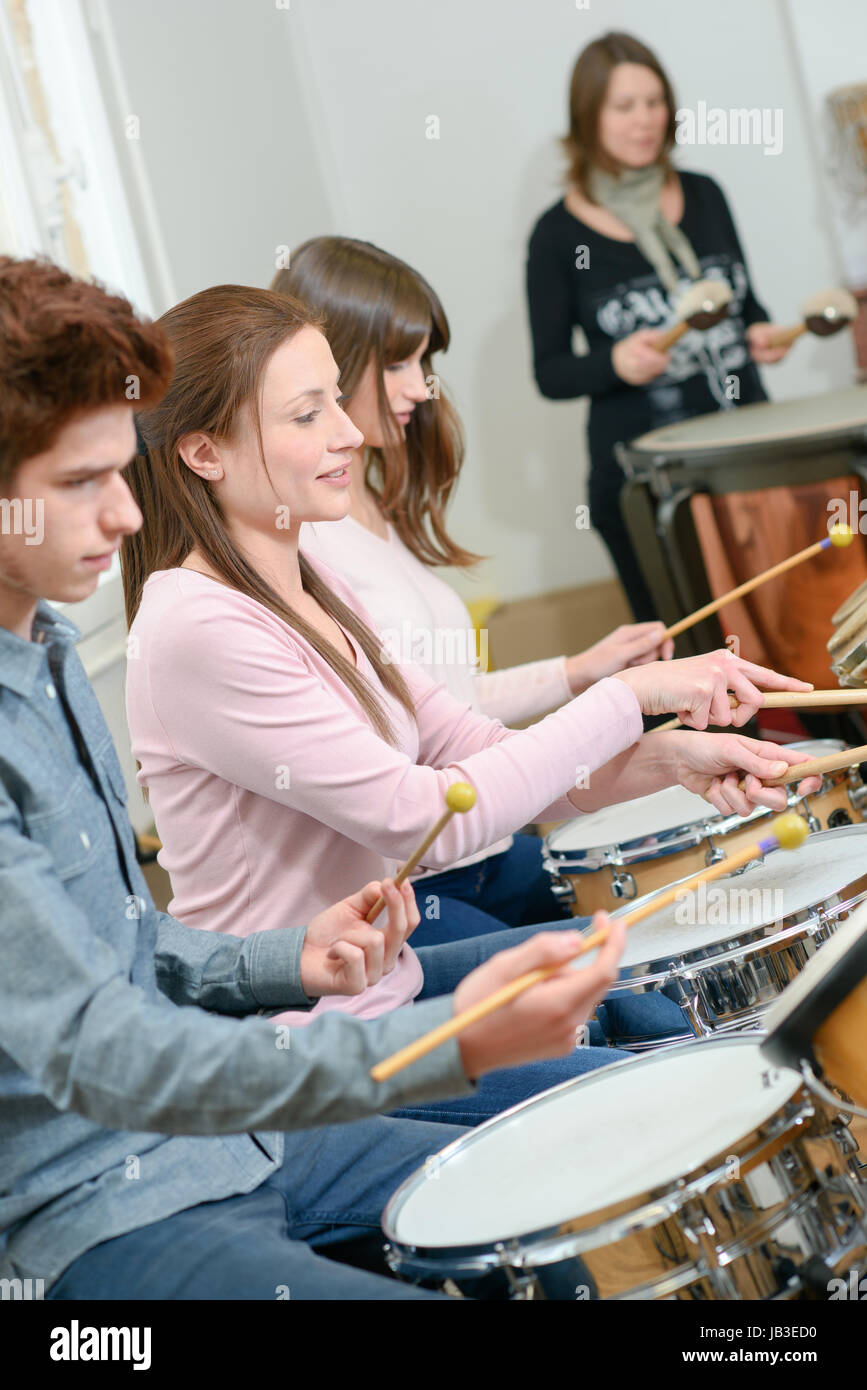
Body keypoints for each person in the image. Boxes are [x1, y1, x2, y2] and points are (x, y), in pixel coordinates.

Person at [0, 253, 635, 1302]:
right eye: (80, 483)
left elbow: (120, 940)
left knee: (551, 1234)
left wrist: (283, 958)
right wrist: (447, 1041)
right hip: (99, 1210)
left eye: (121, 472)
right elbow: (99, 1051)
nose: (122, 515)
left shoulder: (52, 653)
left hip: (237, 1141)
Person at [121, 280, 819, 1117]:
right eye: (307, 416)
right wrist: (625, 694)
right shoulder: (196, 626)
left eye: (338, 404)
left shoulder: (310, 576)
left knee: (654, 998)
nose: (348, 433)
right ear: (204, 453)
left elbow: (475, 752)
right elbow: (425, 816)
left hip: (388, 991)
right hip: (302, 1053)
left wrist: (673, 761)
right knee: (657, 1098)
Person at [274, 235, 674, 946]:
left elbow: (440, 704)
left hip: (484, 855)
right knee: (621, 993)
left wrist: (576, 672)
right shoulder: (304, 542)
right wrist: (617, 705)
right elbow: (400, 756)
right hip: (418, 880)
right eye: (396, 362)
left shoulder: (368, 505)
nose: (421, 387)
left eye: (424, 362)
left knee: (657, 935)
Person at [526, 31, 794, 621]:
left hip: (747, 457)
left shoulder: (705, 195)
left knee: (790, 625)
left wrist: (761, 332)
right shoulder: (558, 236)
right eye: (624, 107)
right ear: (588, 118)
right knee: (695, 659)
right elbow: (550, 372)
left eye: (654, 102)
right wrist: (614, 362)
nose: (645, 120)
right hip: (647, 485)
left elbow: (745, 303)